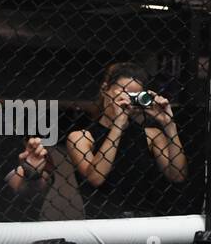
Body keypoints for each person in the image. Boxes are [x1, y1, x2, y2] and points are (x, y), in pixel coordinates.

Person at [65, 64, 189, 217]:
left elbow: (177, 175)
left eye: (134, 96)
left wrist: (168, 124)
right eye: (124, 93)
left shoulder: (151, 135)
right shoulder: (81, 138)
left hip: (145, 220)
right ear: (105, 89)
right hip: (102, 223)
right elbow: (96, 178)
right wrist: (118, 124)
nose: (128, 100)